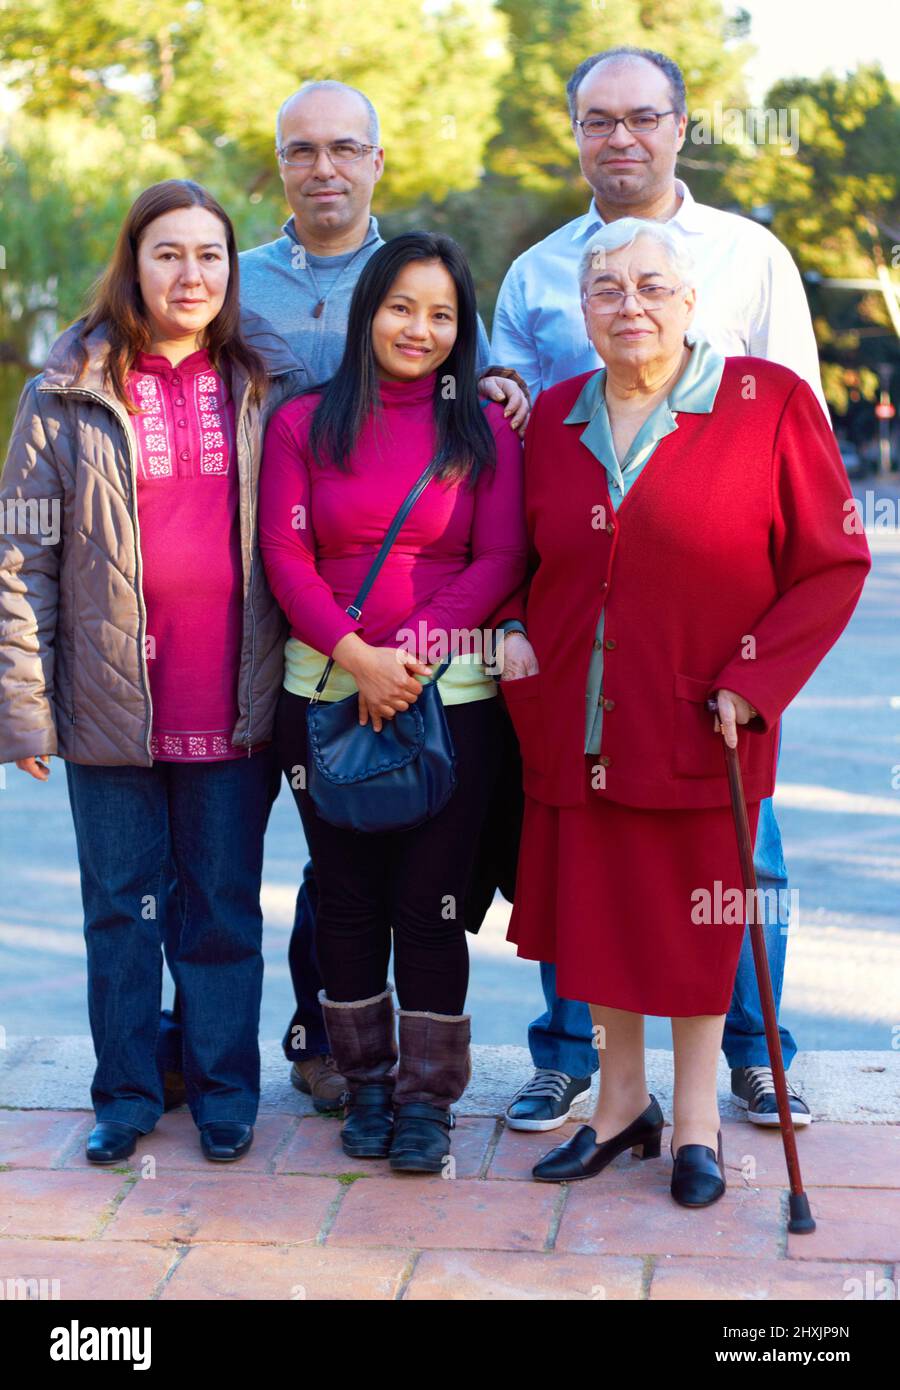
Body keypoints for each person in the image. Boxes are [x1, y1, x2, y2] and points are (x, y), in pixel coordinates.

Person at [497, 218, 870, 1206]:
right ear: (583, 312)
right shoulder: (556, 416)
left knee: (697, 933)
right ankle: (621, 1112)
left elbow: (834, 561)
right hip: (578, 718)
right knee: (602, 924)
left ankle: (697, 1123)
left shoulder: (769, 403)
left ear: (692, 301)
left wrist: (757, 677)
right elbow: (512, 559)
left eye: (654, 286)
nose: (631, 306)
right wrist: (513, 639)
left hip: (708, 720)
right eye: (609, 289)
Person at [490, 45, 827, 1133]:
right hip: (585, 615)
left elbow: (797, 438)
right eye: (598, 120)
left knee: (736, 853)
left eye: (642, 117)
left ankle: (754, 1050)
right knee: (582, 845)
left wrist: (760, 659)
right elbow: (510, 429)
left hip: (705, 630)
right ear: (576, 132)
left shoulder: (752, 255)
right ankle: (571, 1055)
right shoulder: (536, 273)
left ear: (682, 126)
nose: (620, 138)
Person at [229, 79, 529, 1111]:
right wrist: (358, 658)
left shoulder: (477, 424)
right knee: (343, 897)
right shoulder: (303, 416)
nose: (418, 324)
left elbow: (497, 556)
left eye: (439, 313)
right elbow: (285, 554)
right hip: (321, 682)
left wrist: (419, 657)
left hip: (449, 698)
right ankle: (350, 1075)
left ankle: (428, 1097)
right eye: (400, 307)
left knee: (434, 904)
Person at [0, 179, 307, 1164]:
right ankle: (127, 1093)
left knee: (220, 908)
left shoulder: (268, 379)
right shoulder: (67, 389)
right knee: (121, 908)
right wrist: (24, 707)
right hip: (106, 706)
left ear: (232, 268)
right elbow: (22, 556)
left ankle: (224, 1092)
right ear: (133, 262)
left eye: (210, 255)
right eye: (167, 253)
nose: (190, 273)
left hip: (235, 699)